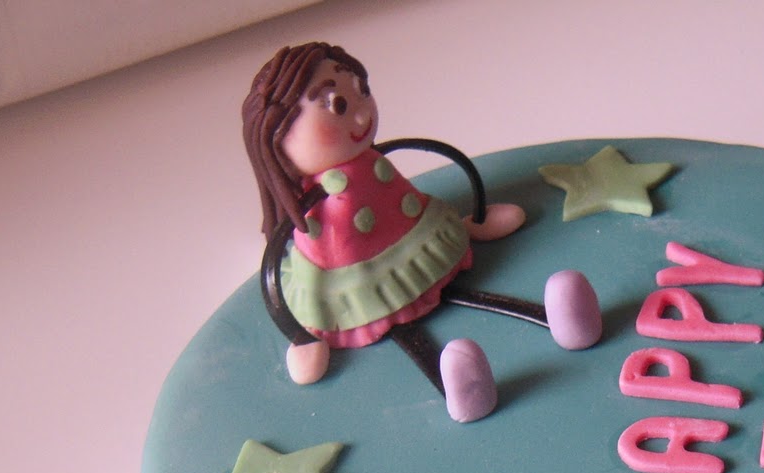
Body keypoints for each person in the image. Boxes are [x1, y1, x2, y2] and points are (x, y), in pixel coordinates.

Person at [242, 42, 601, 420]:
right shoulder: (311, 202)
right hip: (349, 282)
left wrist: (473, 221)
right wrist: (301, 335)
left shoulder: (372, 162)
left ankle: (559, 318)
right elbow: (280, 253)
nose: (361, 115)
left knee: (464, 292)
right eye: (339, 106)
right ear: (276, 137)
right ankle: (461, 389)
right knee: (410, 339)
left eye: (360, 92)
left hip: (417, 242)